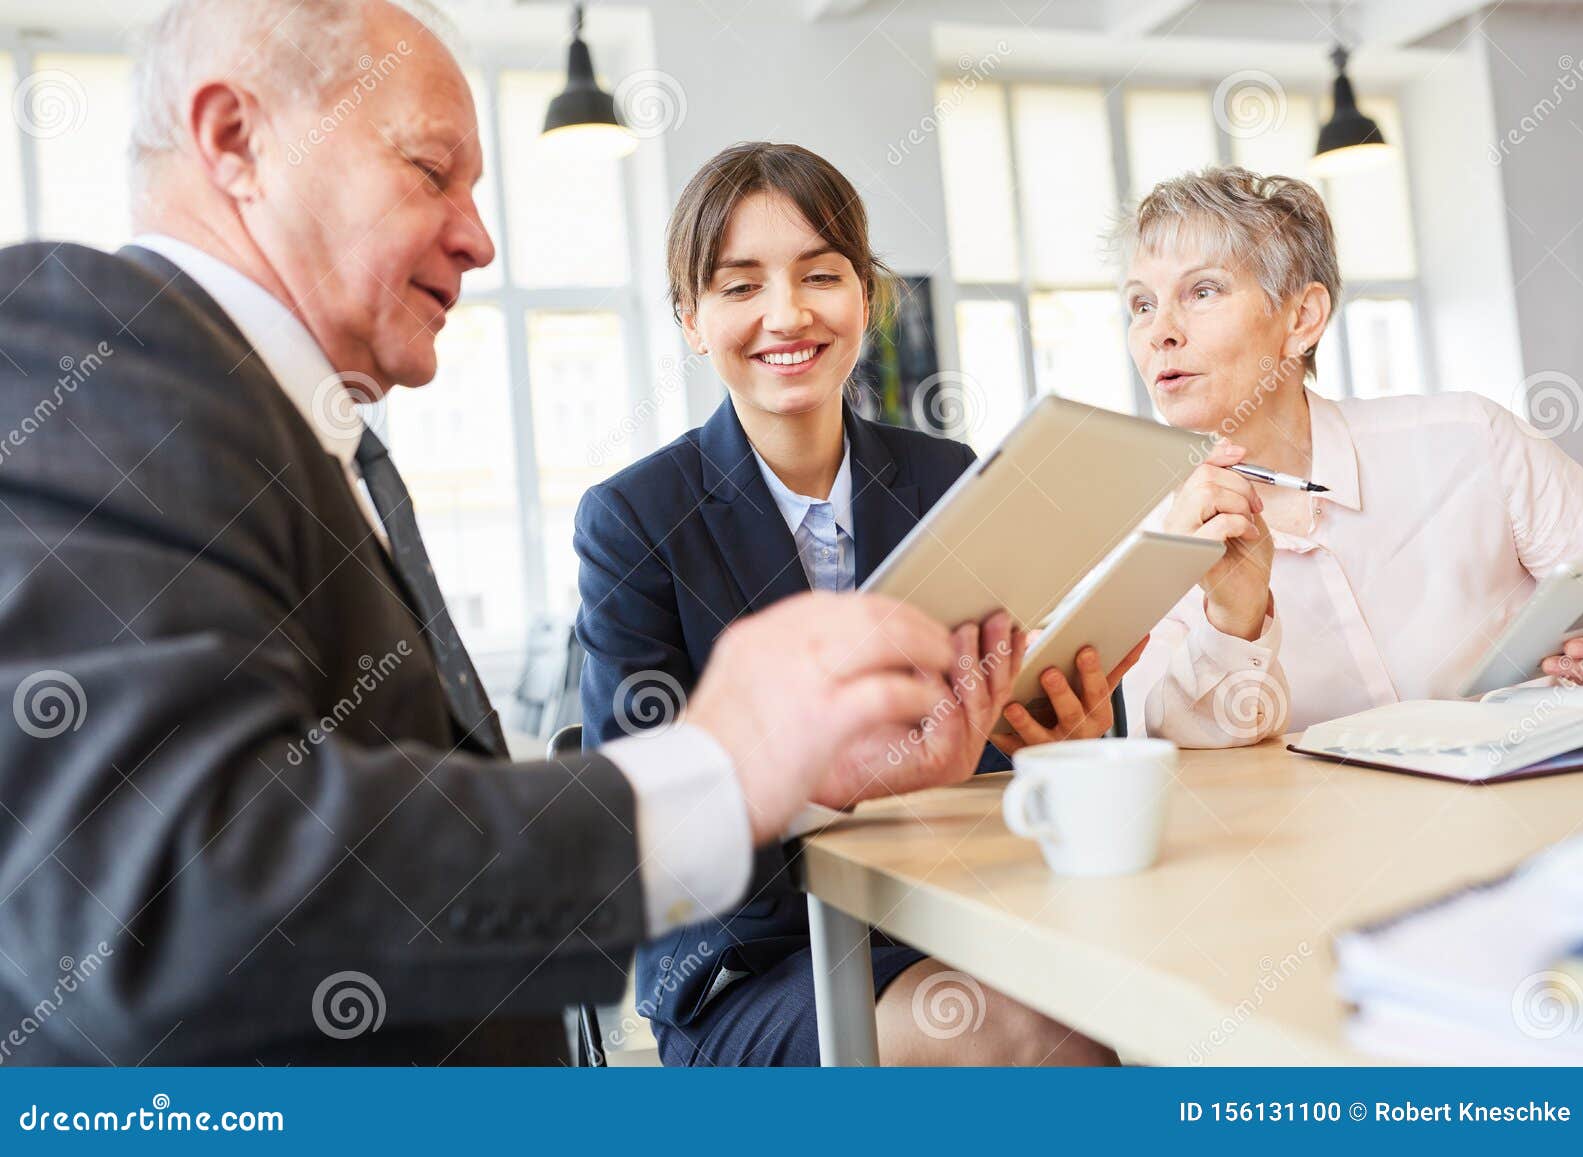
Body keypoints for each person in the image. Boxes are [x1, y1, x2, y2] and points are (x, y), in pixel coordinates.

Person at [0, 0, 975, 1065]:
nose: (478, 236)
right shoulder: (85, 347)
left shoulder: (321, 439)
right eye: (431, 170)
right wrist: (718, 765)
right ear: (236, 141)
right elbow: (170, 897)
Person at [575, 141, 1144, 1067]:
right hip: (754, 967)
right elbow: (641, 833)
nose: (787, 313)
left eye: (821, 275)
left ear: (866, 298)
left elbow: (992, 744)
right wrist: (845, 784)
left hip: (958, 920)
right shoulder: (636, 518)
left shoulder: (946, 478)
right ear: (690, 318)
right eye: (739, 286)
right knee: (1035, 1036)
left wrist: (1067, 736)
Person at [1115, 166, 1583, 746]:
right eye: (1141, 304)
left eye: (1202, 291)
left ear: (1302, 318)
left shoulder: (1474, 440)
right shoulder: (1142, 547)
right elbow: (1178, 760)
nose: (1159, 331)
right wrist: (1233, 622)